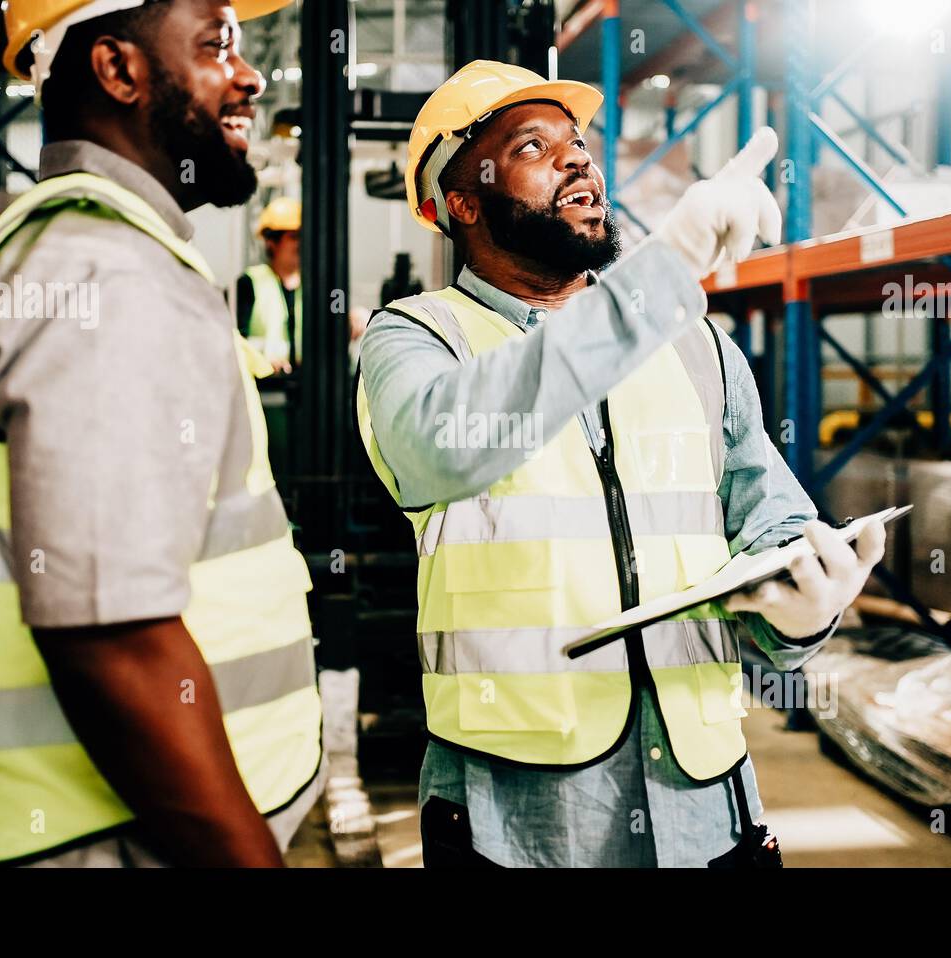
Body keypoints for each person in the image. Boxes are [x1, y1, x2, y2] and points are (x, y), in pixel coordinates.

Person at [356, 60, 885, 868]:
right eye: (534, 146)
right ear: (461, 201)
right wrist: (658, 277)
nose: (579, 161)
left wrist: (801, 609)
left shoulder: (694, 343)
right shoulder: (419, 339)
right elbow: (440, 443)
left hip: (707, 803)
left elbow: (768, 517)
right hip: (520, 819)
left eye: (580, 144)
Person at [0, 0, 322, 867]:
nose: (248, 76)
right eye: (216, 45)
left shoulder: (88, 253)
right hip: (117, 846)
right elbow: (117, 644)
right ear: (117, 70)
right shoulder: (103, 272)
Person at [236, 196, 302, 373]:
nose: (302, 243)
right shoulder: (248, 283)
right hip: (266, 386)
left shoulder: (315, 288)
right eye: (295, 236)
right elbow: (235, 341)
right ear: (271, 242)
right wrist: (263, 360)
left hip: (307, 389)